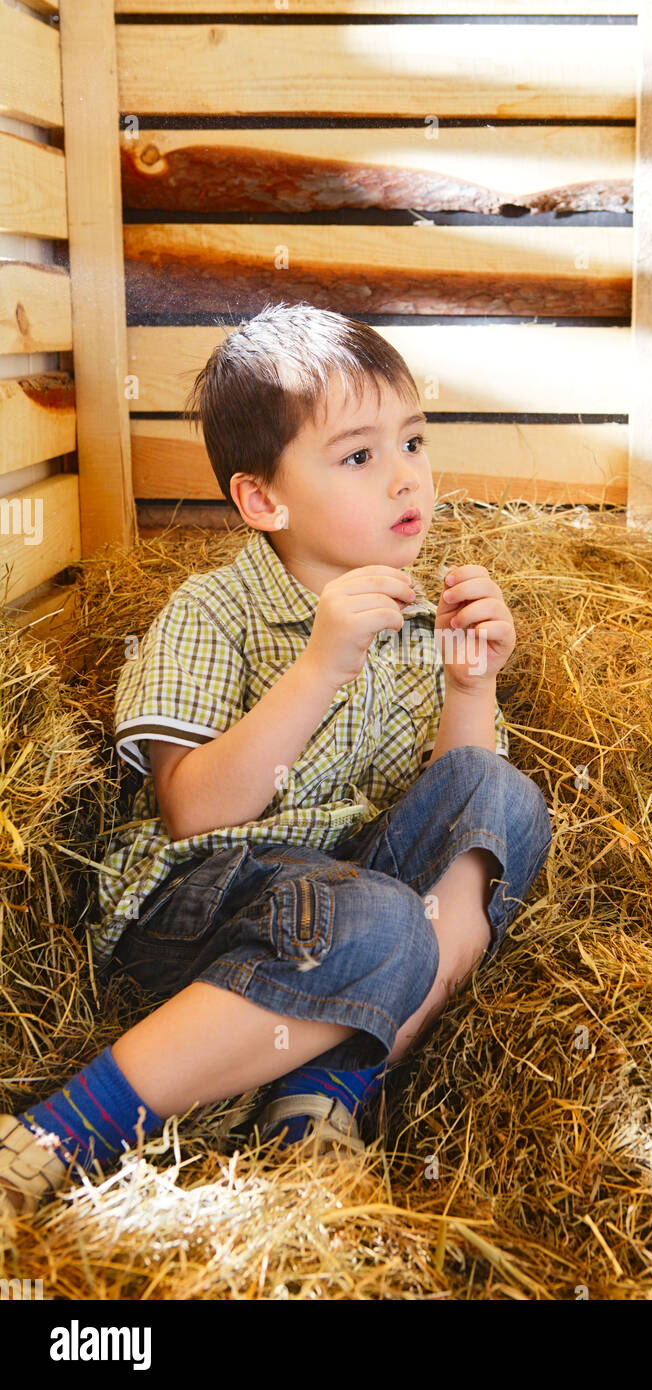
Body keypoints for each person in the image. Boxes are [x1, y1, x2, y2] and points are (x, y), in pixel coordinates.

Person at [0, 302, 552, 1219]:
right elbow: (193, 810)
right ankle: (56, 1135)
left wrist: (469, 684)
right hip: (207, 907)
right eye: (359, 456)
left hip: (360, 913)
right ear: (263, 499)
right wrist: (320, 662)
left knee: (502, 793)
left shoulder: (416, 620)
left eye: (413, 442)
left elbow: (454, 808)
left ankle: (321, 1095)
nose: (404, 479)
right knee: (376, 917)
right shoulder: (214, 610)